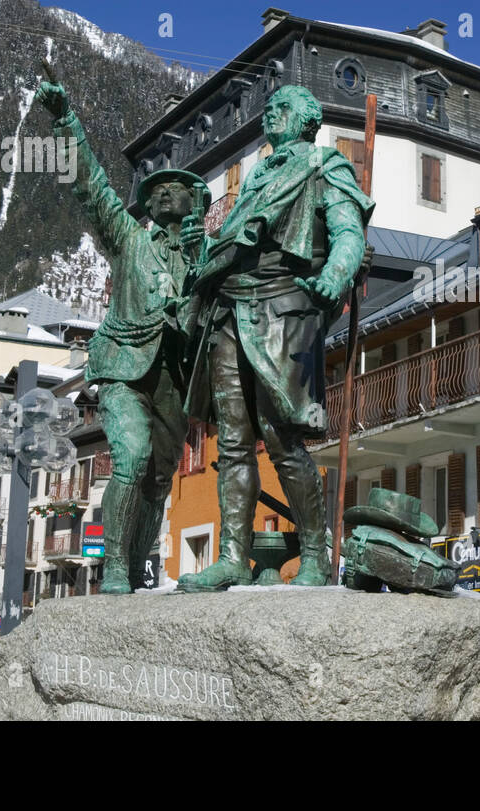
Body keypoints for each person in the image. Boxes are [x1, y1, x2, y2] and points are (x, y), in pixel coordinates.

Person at [178, 84, 372, 590]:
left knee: (282, 437)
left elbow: (349, 232)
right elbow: (229, 251)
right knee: (235, 442)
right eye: (266, 111)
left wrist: (336, 273)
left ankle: (314, 554)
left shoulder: (324, 164)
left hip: (283, 306)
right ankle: (230, 558)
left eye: (279, 109)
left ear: (307, 119)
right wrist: (204, 250)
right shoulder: (257, 180)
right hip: (228, 310)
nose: (269, 117)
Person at [35, 80, 209, 594]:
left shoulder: (206, 253)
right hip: (123, 366)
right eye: (156, 189)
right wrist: (66, 120)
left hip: (174, 379)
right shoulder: (129, 239)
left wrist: (202, 265)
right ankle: (113, 564)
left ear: (193, 201)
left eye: (175, 187)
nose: (163, 192)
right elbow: (89, 184)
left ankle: (136, 567)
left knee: (158, 482)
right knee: (131, 460)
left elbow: (214, 318)